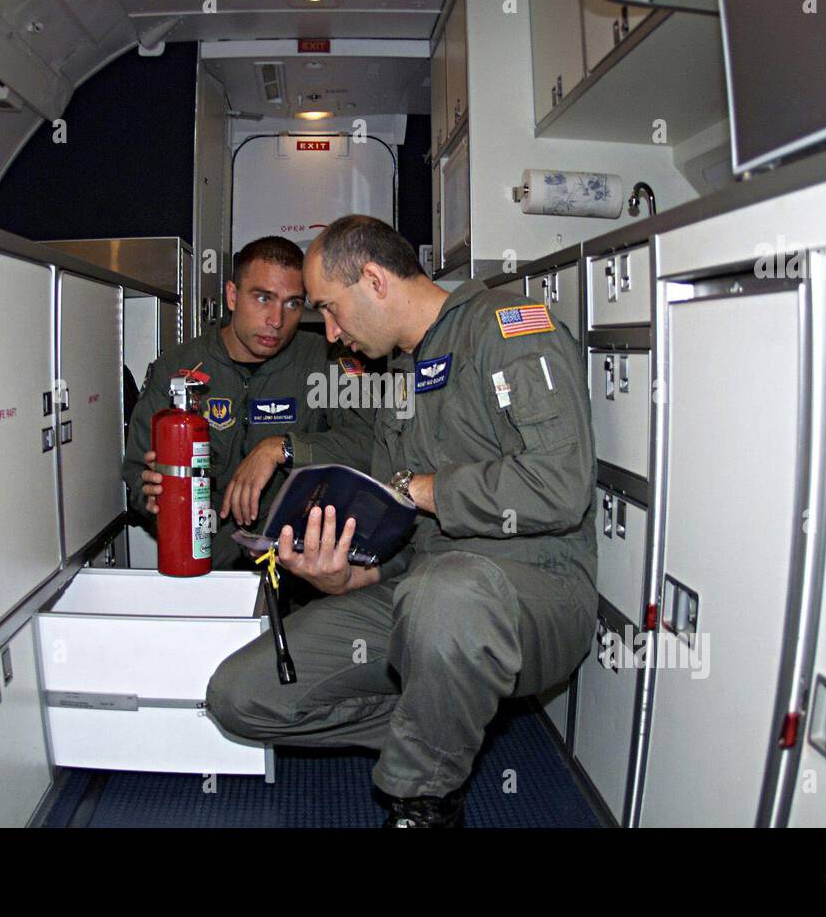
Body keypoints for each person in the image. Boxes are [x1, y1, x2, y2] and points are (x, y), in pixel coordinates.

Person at [205, 215, 598, 827]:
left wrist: (422, 488)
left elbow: (560, 485)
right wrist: (346, 578)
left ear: (374, 280)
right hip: (420, 587)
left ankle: (424, 800)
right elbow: (398, 536)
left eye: (332, 310)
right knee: (239, 697)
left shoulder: (510, 327)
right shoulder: (400, 378)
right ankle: (440, 722)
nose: (331, 334)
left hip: (534, 590)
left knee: (449, 593)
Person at [123, 235, 372, 570]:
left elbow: (373, 443)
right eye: (263, 298)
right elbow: (138, 470)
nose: (276, 320)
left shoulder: (324, 362)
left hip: (297, 572)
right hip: (205, 566)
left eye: (292, 304)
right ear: (232, 296)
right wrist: (150, 493)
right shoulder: (179, 367)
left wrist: (281, 448)